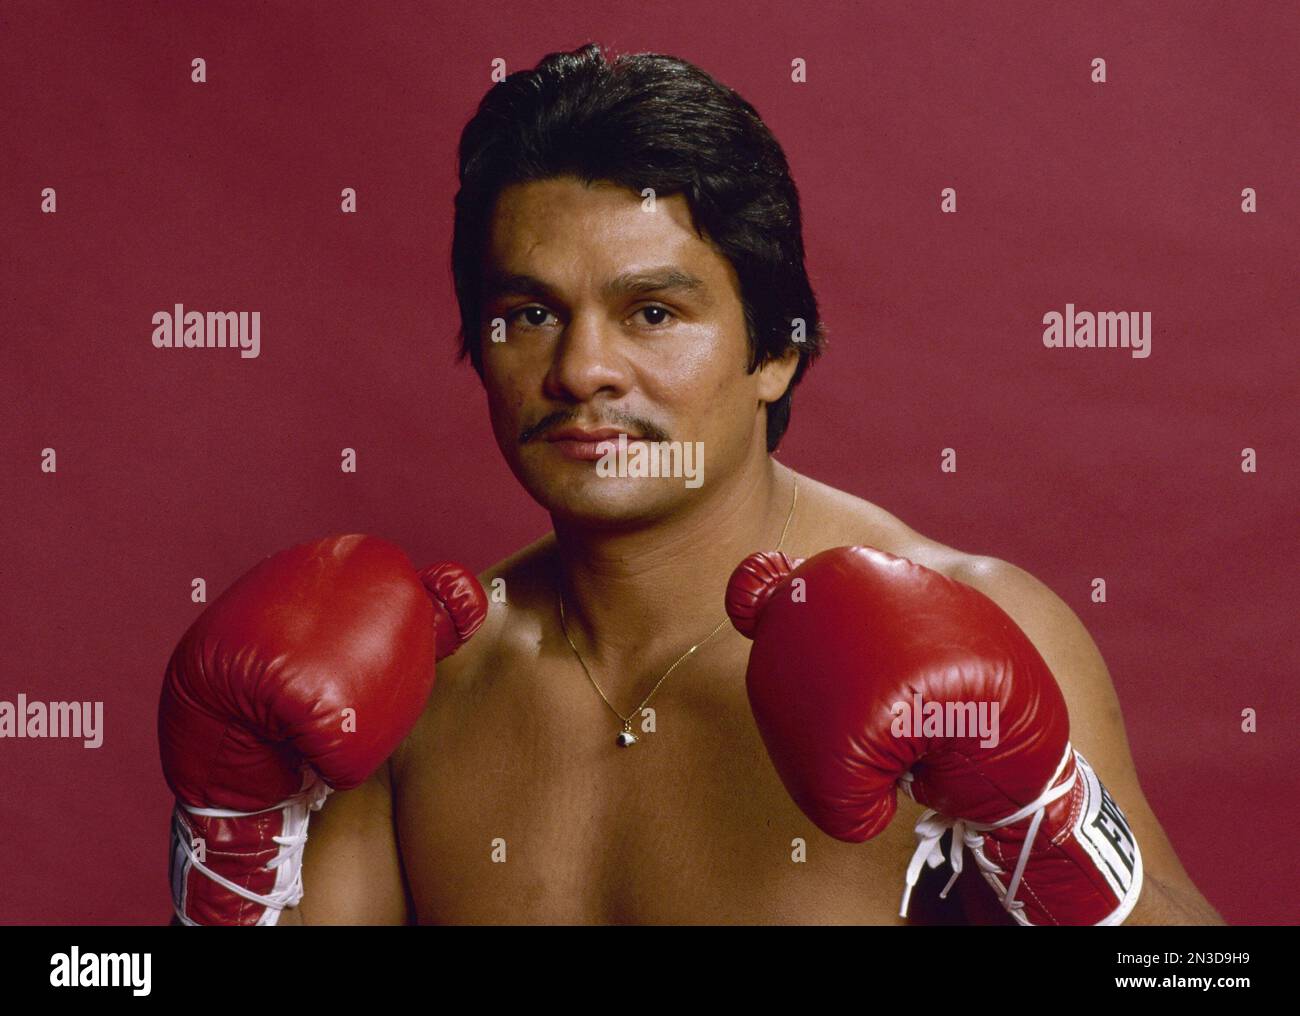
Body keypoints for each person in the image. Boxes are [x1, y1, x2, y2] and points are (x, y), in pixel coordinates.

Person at [169, 43, 1223, 925]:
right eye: (531, 312)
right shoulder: (409, 683)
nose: (581, 368)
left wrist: (1038, 816)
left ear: (775, 351)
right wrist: (229, 837)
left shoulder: (980, 620)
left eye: (653, 313)